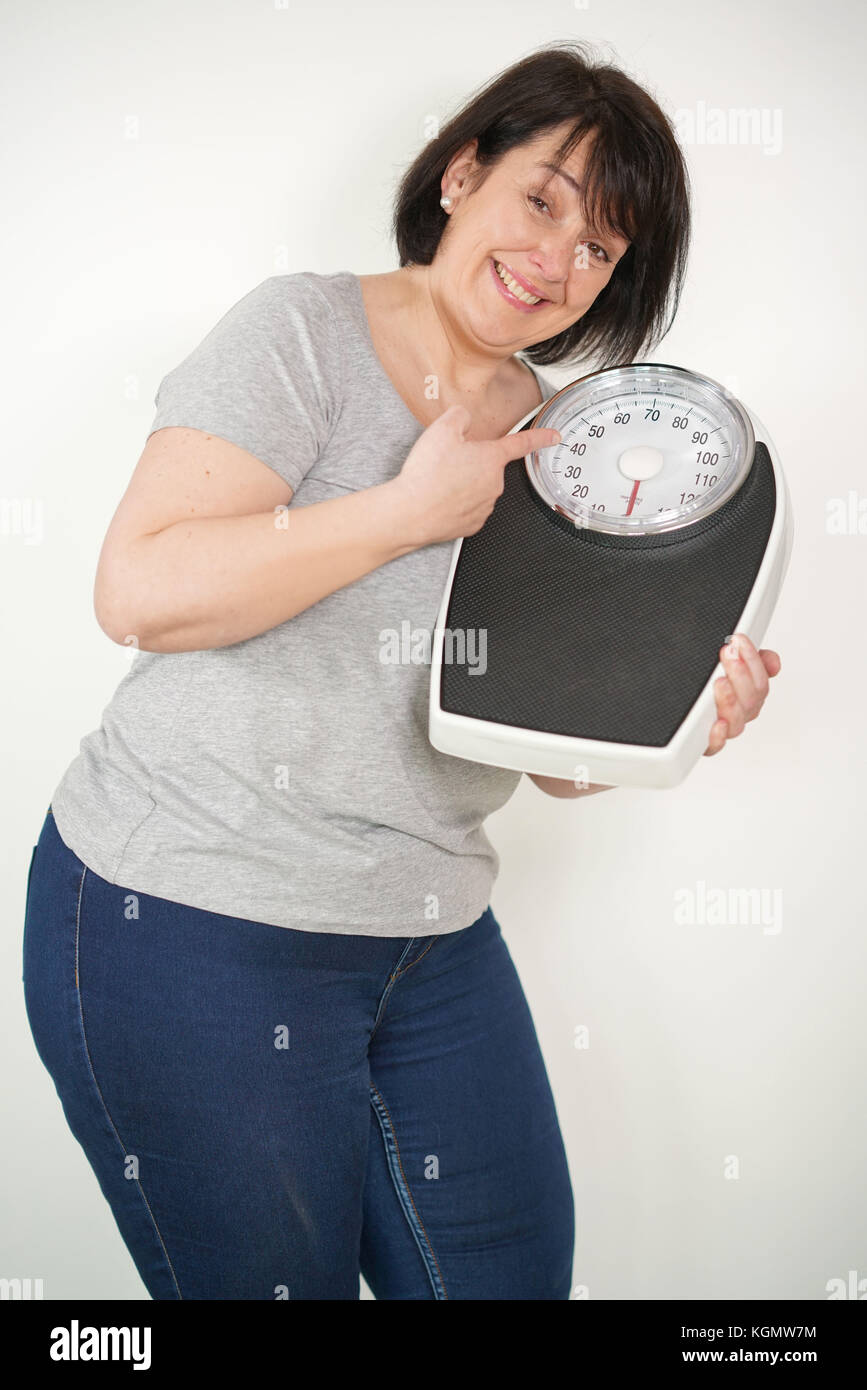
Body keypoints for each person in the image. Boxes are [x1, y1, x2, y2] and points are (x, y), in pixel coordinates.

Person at [21, 41, 781, 1301]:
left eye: (602, 249)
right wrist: (400, 511)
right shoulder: (302, 331)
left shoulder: (560, 435)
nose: (559, 260)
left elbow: (538, 750)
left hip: (427, 934)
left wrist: (684, 717)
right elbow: (138, 592)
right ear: (460, 175)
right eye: (542, 202)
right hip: (191, 915)